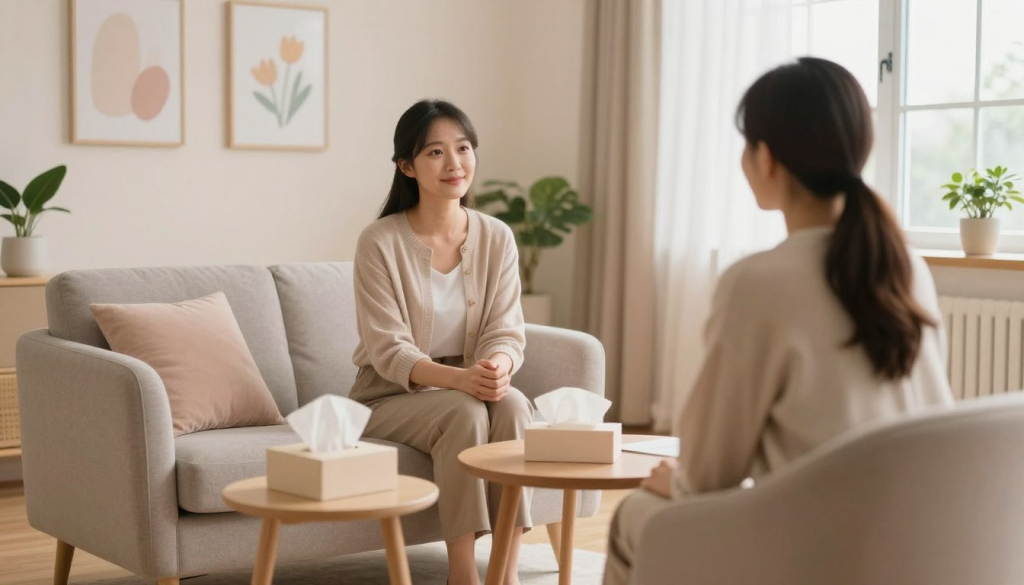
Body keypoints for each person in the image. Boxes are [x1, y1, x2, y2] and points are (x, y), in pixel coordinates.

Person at [602, 57, 955, 584]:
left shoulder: (757, 283)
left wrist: (675, 480)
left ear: (766, 157)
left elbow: (708, 476)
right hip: (920, 543)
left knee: (634, 516)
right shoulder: (907, 267)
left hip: (815, 554)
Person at [350, 99, 533, 585]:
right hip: (388, 397)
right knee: (463, 411)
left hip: (468, 385)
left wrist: (496, 368)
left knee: (514, 405)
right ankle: (462, 575)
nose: (454, 163)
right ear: (407, 166)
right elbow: (389, 349)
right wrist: (461, 381)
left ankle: (505, 573)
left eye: (463, 148)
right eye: (435, 152)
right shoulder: (379, 241)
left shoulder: (497, 237)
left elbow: (505, 329)